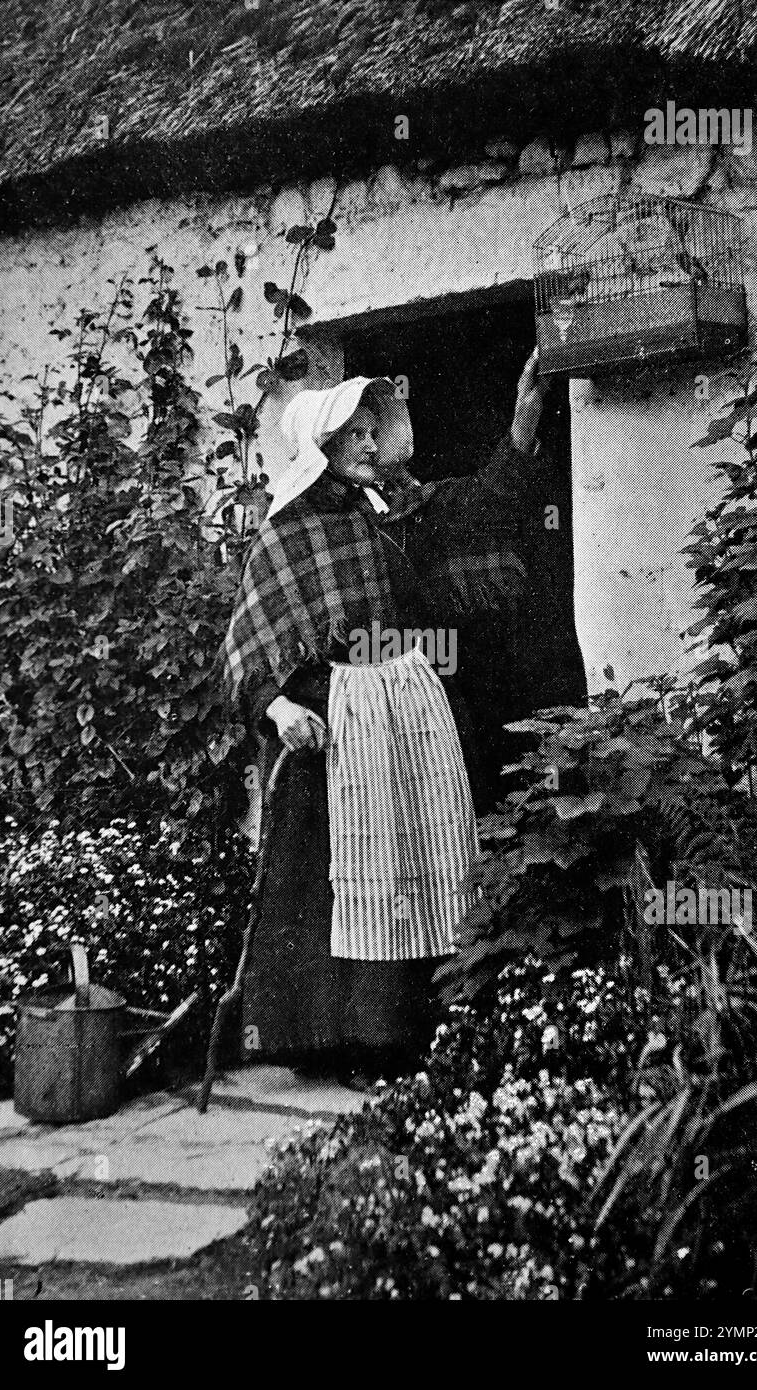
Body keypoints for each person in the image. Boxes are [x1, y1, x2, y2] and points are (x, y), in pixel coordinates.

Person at [216, 351, 553, 1085]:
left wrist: (524, 421)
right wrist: (276, 708)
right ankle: (351, 1042)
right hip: (329, 736)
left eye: (377, 430)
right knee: (345, 881)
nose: (372, 445)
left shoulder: (399, 514)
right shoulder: (285, 535)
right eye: (355, 433)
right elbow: (246, 648)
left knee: (422, 860)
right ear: (320, 445)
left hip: (409, 714)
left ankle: (418, 1028)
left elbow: (482, 508)